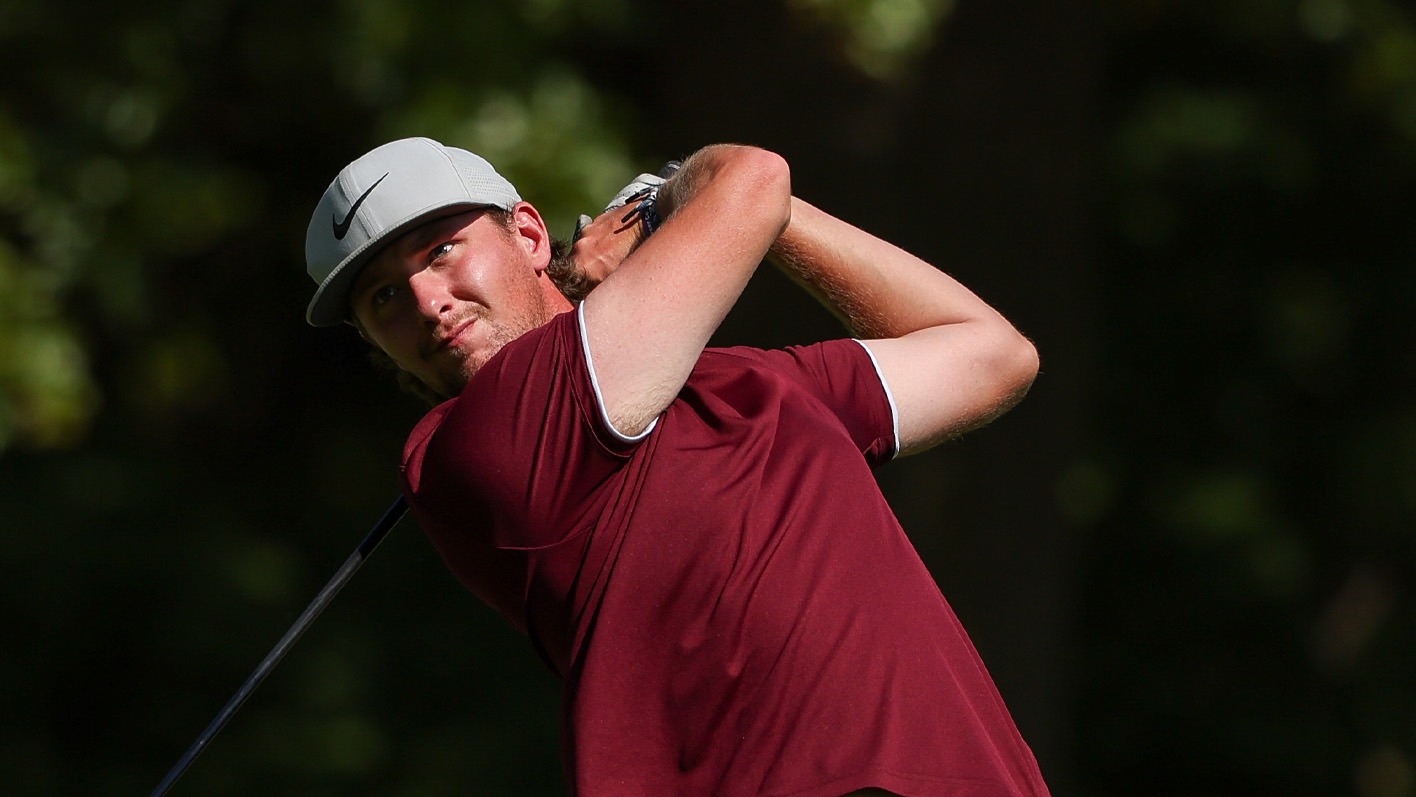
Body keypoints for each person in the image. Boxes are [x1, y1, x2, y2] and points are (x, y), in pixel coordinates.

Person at [303, 136, 1048, 797]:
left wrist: (778, 222)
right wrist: (674, 200)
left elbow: (992, 354)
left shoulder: (741, 384)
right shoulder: (475, 443)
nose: (428, 301)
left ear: (528, 234)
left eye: (440, 250)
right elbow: (751, 176)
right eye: (385, 297)